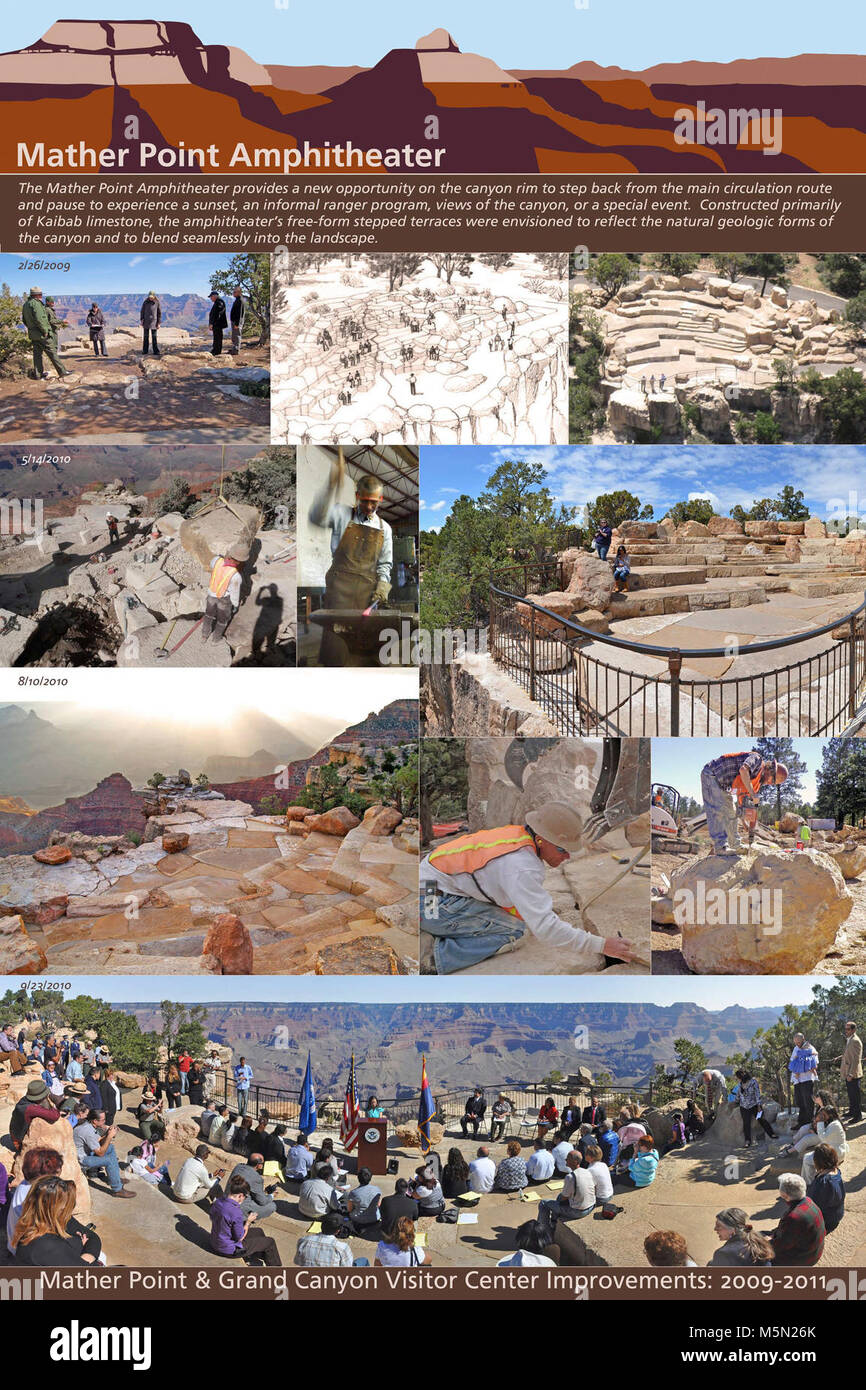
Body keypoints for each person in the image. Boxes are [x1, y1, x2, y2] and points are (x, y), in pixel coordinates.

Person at [421, 803, 634, 974]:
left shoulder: (519, 835)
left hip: (432, 883)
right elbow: (546, 930)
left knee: (517, 916)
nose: (567, 856)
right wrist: (602, 945)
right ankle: (435, 957)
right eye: (562, 849)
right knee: (516, 931)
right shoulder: (521, 866)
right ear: (541, 839)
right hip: (431, 905)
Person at [309, 449, 393, 664]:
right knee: (336, 646)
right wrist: (330, 487)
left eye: (375, 502)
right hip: (339, 591)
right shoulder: (340, 513)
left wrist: (382, 586)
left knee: (365, 650)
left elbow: (384, 564)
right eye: (365, 501)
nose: (370, 506)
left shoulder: (385, 528)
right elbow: (316, 517)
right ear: (357, 497)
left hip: (367, 594)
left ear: (381, 499)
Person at [700, 751, 788, 856]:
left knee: (731, 813)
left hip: (724, 786)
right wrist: (753, 794)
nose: (770, 783)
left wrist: (744, 821)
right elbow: (743, 770)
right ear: (770, 770)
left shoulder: (756, 783)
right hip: (712, 773)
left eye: (773, 783)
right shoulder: (757, 760)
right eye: (772, 780)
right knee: (717, 810)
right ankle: (720, 847)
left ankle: (736, 846)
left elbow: (741, 798)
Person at [11, 1176, 103, 1267]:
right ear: (57, 1209)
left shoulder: (38, 1222)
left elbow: (92, 1237)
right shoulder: (45, 1245)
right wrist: (79, 1245)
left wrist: (86, 1255)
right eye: (65, 1205)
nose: (68, 1209)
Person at [210, 1175, 282, 1266]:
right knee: (270, 1242)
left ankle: (258, 1254)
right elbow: (240, 1237)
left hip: (215, 1242)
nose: (245, 1198)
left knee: (259, 1231)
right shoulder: (236, 1212)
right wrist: (248, 1222)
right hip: (228, 1250)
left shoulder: (218, 1202)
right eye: (246, 1196)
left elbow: (213, 1217)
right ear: (240, 1195)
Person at [6, 1147, 64, 1254]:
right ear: (46, 1175)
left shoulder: (26, 1183)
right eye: (56, 1172)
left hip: (15, 1245)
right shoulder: (38, 1196)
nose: (59, 1174)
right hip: (24, 1252)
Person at [74, 1109, 135, 1199]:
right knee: (109, 1160)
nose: (105, 1122)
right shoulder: (88, 1131)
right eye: (103, 1120)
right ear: (95, 1120)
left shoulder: (89, 1126)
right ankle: (117, 1190)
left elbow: (98, 1141)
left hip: (88, 1152)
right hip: (82, 1159)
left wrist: (108, 1133)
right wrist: (109, 1137)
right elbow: (100, 1153)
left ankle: (114, 1179)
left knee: (110, 1147)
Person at [770, 1173, 825, 1266]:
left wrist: (767, 1242)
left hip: (803, 1259)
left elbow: (781, 1245)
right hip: (814, 1251)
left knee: (758, 1251)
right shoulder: (809, 1201)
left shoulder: (793, 1217)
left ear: (784, 1195)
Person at [22, 287, 70, 379]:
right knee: (52, 352)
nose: (41, 296)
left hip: (33, 334)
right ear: (37, 295)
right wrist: (45, 331)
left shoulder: (26, 304)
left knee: (37, 355)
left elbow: (24, 320)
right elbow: (40, 319)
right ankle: (62, 372)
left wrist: (31, 329)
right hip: (42, 334)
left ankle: (38, 374)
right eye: (40, 294)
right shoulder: (36, 304)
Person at [201, 548, 246, 644]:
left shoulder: (216, 561)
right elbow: (234, 593)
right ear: (239, 562)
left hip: (211, 594)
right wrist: (235, 605)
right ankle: (216, 639)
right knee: (222, 621)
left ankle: (204, 636)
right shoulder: (236, 576)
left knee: (208, 615)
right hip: (224, 600)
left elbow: (213, 563)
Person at [541, 1152, 595, 1223]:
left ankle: (542, 1227)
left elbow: (564, 1197)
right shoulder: (586, 1171)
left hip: (578, 1211)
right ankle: (554, 1220)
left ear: (575, 1162)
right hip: (591, 1206)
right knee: (559, 1197)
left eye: (568, 1159)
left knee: (543, 1203)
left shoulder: (570, 1177)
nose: (565, 1160)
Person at [708, 1207, 773, 1266]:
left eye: (719, 1226)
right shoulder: (760, 1239)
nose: (715, 1229)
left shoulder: (724, 1253)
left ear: (732, 1230)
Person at [10, 1080, 62, 1149]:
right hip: (19, 1141)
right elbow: (54, 1116)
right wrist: (50, 1102)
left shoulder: (24, 1100)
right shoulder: (31, 1109)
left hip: (14, 1132)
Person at [805, 1144, 845, 1234]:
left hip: (825, 1221)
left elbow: (811, 1206)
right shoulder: (837, 1171)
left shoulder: (823, 1182)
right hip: (837, 1214)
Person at [736, 1069, 777, 1146]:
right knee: (746, 1123)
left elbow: (757, 1094)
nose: (738, 1079)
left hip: (755, 1106)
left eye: (738, 1077)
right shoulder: (740, 1084)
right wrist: (735, 1101)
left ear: (740, 1077)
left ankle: (771, 1134)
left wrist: (759, 1106)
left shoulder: (753, 1082)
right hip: (744, 1107)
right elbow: (738, 1095)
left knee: (761, 1119)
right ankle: (747, 1141)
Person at [230, 1154, 277, 1219]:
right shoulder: (256, 1178)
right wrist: (272, 1196)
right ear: (258, 1165)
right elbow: (262, 1201)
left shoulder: (238, 1166)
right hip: (239, 1207)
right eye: (262, 1163)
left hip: (228, 1200)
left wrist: (264, 1192)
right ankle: (245, 1218)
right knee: (272, 1206)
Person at [789, 1034, 820, 1129]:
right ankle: (801, 1122)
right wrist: (796, 1069)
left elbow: (815, 1064)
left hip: (807, 1079)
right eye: (795, 1043)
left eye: (798, 1042)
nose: (797, 1044)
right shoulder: (796, 1048)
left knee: (808, 1102)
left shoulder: (810, 1048)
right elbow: (792, 1061)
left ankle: (810, 1123)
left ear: (803, 1039)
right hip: (797, 1080)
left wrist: (804, 1067)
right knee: (799, 1101)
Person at [836, 1020, 863, 1123]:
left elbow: (856, 1059)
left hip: (853, 1073)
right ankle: (852, 1112)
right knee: (851, 1094)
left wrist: (851, 1074)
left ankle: (857, 1116)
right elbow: (849, 1053)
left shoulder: (855, 1041)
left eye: (848, 1029)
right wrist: (840, 1057)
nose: (846, 1031)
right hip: (849, 1072)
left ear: (853, 1030)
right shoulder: (850, 1039)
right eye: (845, 1028)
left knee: (855, 1095)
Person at [345, 1167, 382, 1231]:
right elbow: (378, 1204)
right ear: (370, 1178)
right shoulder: (377, 1190)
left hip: (358, 1220)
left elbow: (349, 1209)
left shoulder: (353, 1193)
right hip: (374, 1218)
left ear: (358, 1178)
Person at [140, 291, 161, 355]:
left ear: (154, 296)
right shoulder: (145, 302)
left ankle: (156, 351)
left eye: (152, 297)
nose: (150, 298)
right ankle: (145, 351)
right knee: (146, 337)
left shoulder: (157, 302)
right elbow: (142, 311)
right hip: (146, 321)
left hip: (154, 322)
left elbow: (159, 313)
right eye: (149, 297)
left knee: (154, 337)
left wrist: (159, 323)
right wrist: (141, 319)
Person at [208, 291, 228, 355]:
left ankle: (217, 351)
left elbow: (217, 314)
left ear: (215, 296)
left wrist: (212, 323)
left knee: (218, 338)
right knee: (216, 337)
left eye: (211, 297)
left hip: (218, 324)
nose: (211, 298)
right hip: (216, 324)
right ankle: (214, 350)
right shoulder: (217, 302)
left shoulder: (219, 302)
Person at [229, 287, 246, 354]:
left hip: (237, 322)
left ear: (239, 292)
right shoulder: (237, 300)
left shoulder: (240, 301)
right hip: (234, 321)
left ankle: (236, 350)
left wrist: (237, 324)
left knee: (237, 335)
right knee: (234, 335)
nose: (233, 293)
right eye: (233, 292)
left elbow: (239, 313)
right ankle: (234, 348)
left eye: (235, 292)